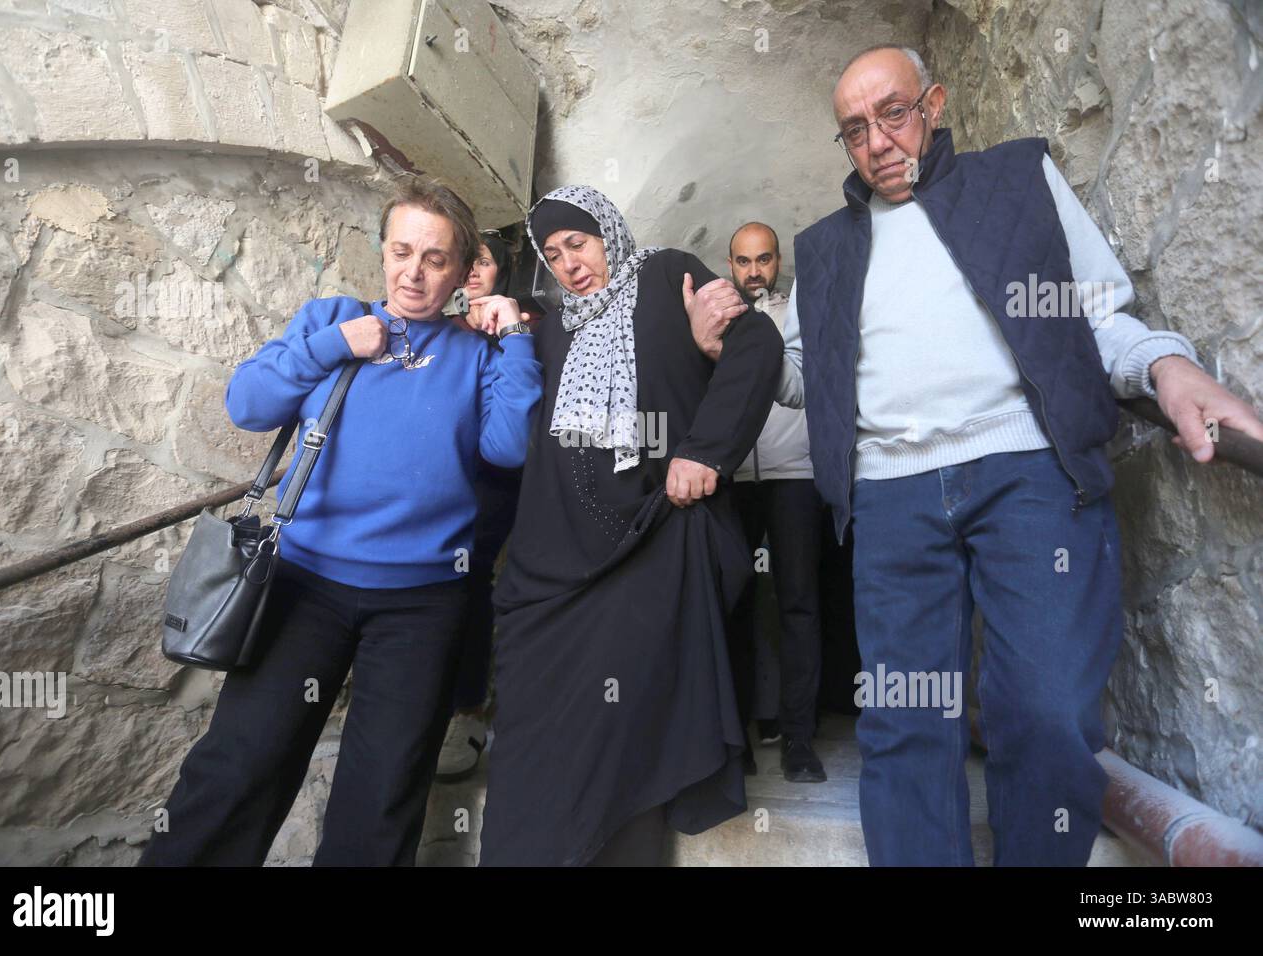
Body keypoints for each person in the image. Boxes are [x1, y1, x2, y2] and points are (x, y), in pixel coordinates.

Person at [787, 44, 1263, 865]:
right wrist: (727, 350)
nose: (876, 142)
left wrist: (1167, 364)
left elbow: (1098, 312)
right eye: (854, 129)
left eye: (892, 113)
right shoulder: (826, 247)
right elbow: (801, 375)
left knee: (1045, 713)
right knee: (904, 726)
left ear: (933, 105)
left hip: (1028, 476)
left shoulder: (1017, 180)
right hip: (892, 495)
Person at [139, 175, 542, 866]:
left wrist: (518, 341)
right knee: (237, 768)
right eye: (401, 250)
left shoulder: (476, 352)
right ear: (383, 251)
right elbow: (248, 404)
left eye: (435, 258)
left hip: (422, 602)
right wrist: (331, 347)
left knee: (382, 794)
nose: (413, 271)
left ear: (462, 270)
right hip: (304, 585)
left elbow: (510, 446)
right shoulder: (329, 318)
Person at [474, 185, 784, 866]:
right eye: (552, 254)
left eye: (578, 244)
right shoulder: (554, 325)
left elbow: (758, 343)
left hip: (651, 543)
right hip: (556, 568)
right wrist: (510, 313)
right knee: (530, 723)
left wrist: (707, 449)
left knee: (623, 722)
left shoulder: (666, 275)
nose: (569, 263)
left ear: (608, 233)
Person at [721, 221, 827, 784]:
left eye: (763, 259)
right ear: (729, 264)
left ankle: (800, 739)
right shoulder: (716, 316)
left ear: (777, 261)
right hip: (734, 480)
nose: (754, 270)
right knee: (732, 607)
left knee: (799, 606)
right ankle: (732, 739)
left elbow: (812, 384)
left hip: (795, 476)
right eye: (743, 261)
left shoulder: (798, 314)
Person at [436, 232, 524, 782]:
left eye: (484, 262)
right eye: (467, 260)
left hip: (493, 482)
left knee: (469, 583)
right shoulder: (435, 330)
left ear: (501, 274)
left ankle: (467, 709)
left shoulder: (521, 330)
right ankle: (430, 702)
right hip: (440, 477)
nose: (473, 271)